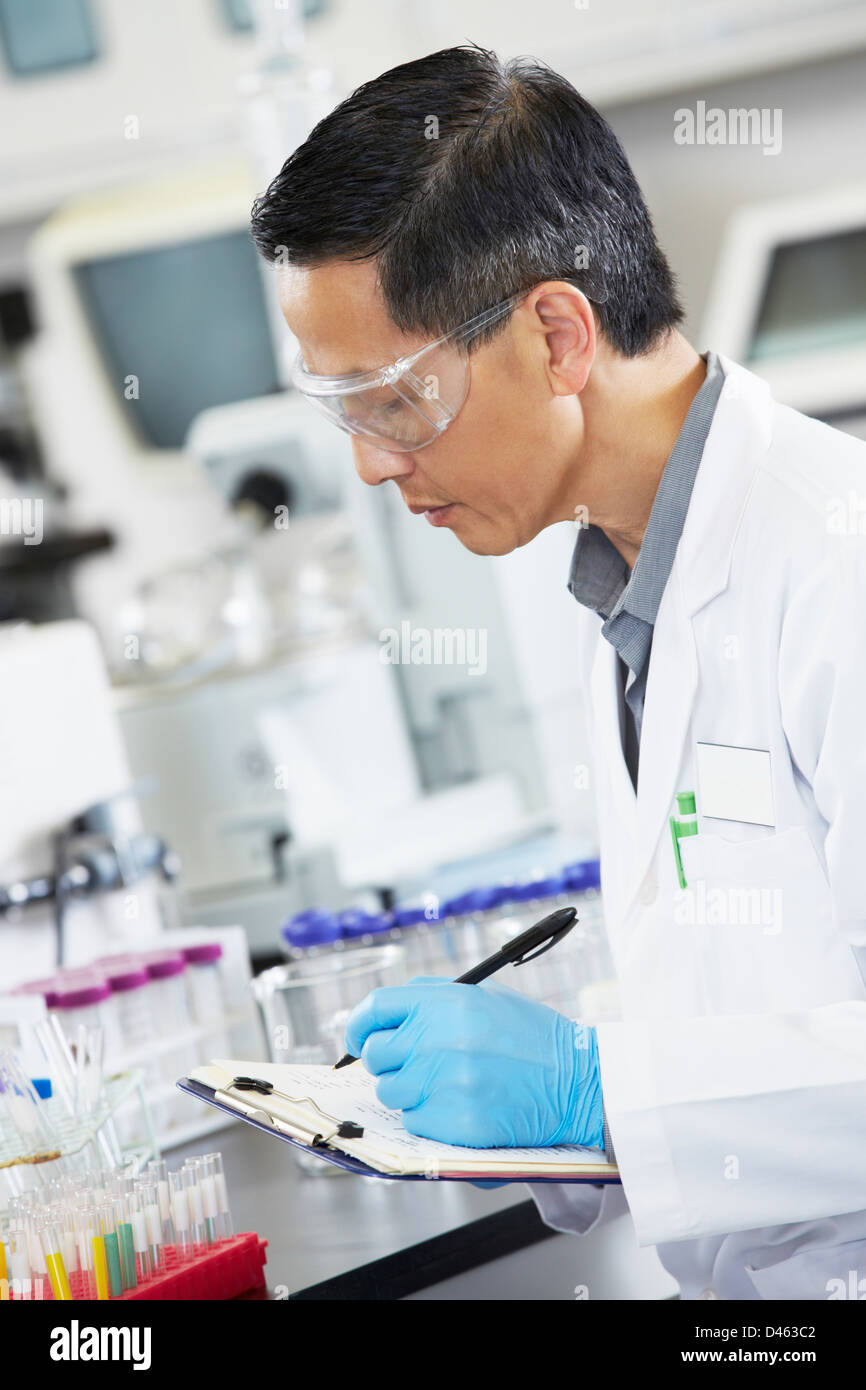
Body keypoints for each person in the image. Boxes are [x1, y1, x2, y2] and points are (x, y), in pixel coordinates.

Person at [250, 45, 866, 1301]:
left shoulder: (832, 565)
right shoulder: (626, 586)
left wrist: (596, 1084)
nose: (374, 465)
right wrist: (537, 1121)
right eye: (344, 413)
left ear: (555, 333)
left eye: (394, 401)